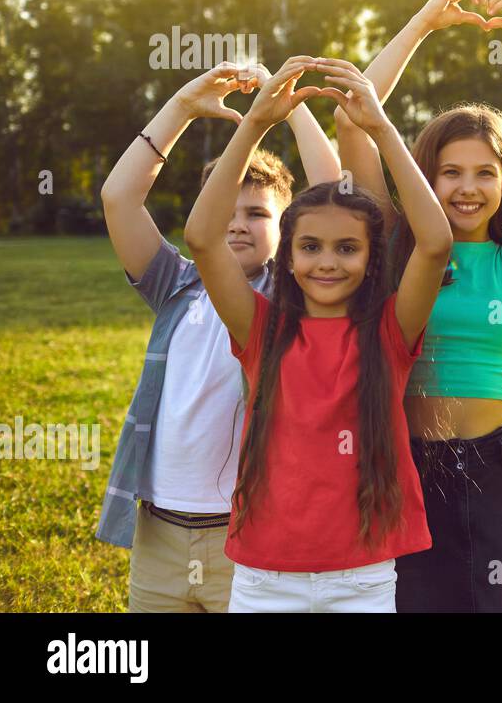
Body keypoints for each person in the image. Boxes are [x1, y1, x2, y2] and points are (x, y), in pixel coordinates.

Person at [336, 0, 502, 612]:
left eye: (486, 172)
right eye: (450, 171)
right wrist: (424, 22)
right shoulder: (397, 243)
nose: (467, 188)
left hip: (501, 471)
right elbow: (352, 118)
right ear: (425, 174)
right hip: (408, 467)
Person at [185, 57, 453, 612]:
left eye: (347, 248)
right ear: (288, 254)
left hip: (363, 576)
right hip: (264, 578)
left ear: (371, 257)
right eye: (310, 247)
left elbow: (434, 243)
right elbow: (203, 238)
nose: (327, 263)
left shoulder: (389, 330)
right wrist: (256, 123)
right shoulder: (261, 327)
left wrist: (379, 127)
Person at [97, 61, 340, 612]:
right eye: (226, 210)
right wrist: (181, 106)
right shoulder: (175, 284)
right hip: (158, 532)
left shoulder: (294, 295)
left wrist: (293, 106)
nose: (236, 224)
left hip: (250, 535)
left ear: (288, 227)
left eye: (256, 213)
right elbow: (119, 199)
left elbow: (333, 194)